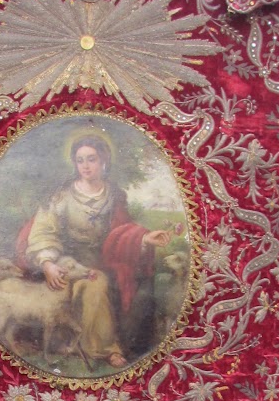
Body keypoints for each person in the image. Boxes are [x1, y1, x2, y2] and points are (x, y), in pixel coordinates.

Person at [22, 134, 171, 370]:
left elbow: (123, 232)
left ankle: (128, 343)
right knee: (96, 283)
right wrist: (48, 263)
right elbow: (43, 231)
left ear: (103, 160)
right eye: (80, 160)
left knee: (136, 285)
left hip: (107, 259)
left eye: (91, 159)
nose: (85, 166)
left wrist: (144, 238)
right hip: (68, 263)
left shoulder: (114, 195)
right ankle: (106, 350)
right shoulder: (61, 196)